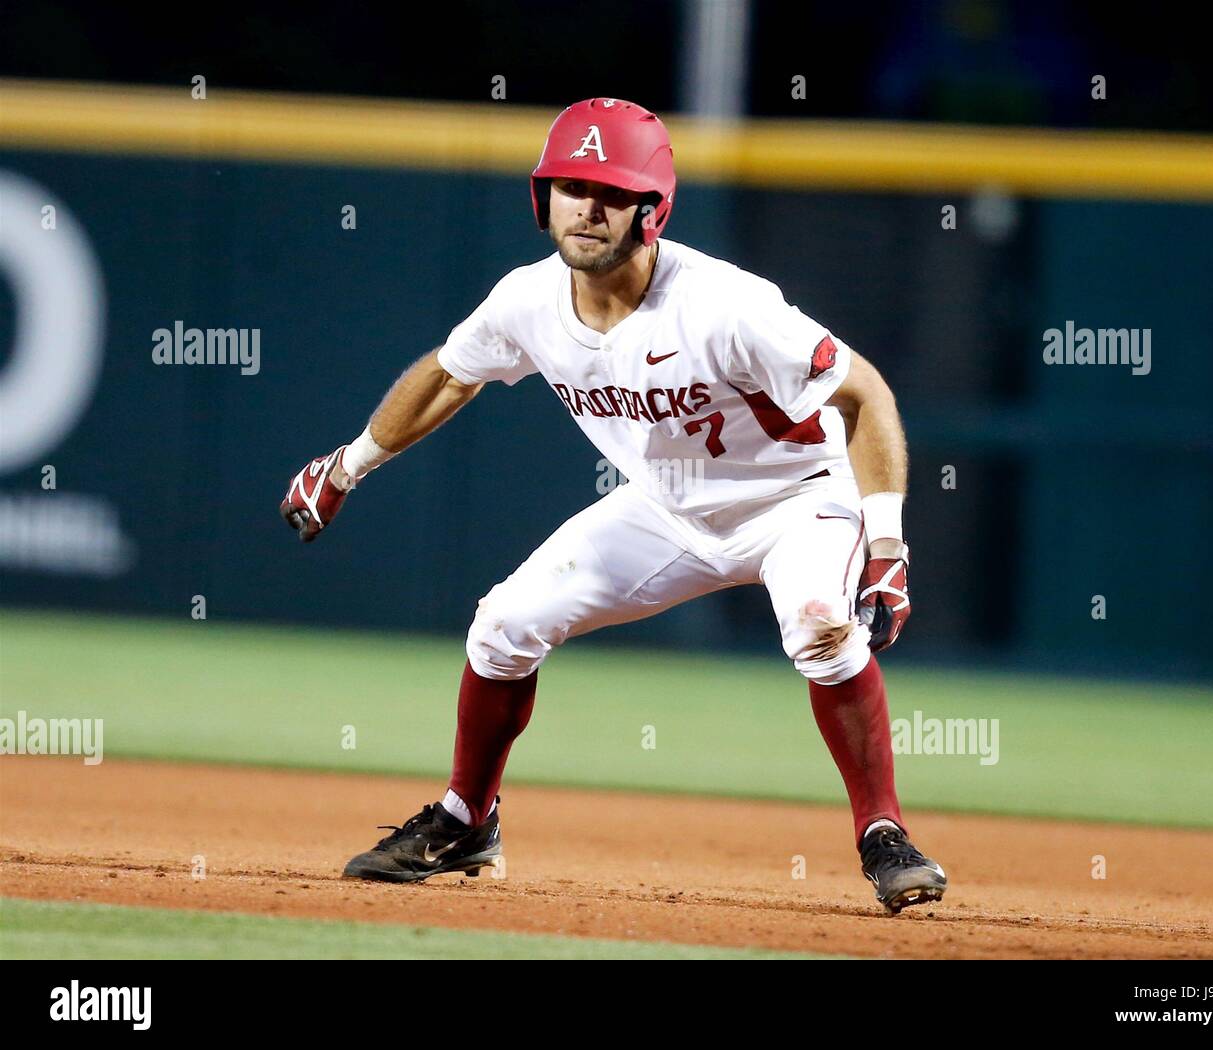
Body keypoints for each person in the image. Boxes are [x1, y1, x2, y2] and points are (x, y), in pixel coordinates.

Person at [280, 97, 945, 915]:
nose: (587, 207)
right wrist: (345, 467)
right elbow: (451, 373)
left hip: (795, 501)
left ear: (651, 210)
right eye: (569, 186)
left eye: (610, 191)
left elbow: (866, 396)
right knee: (502, 623)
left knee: (818, 619)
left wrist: (887, 547)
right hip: (667, 510)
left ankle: (884, 834)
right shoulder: (527, 300)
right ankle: (466, 818)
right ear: (541, 200)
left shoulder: (724, 303)